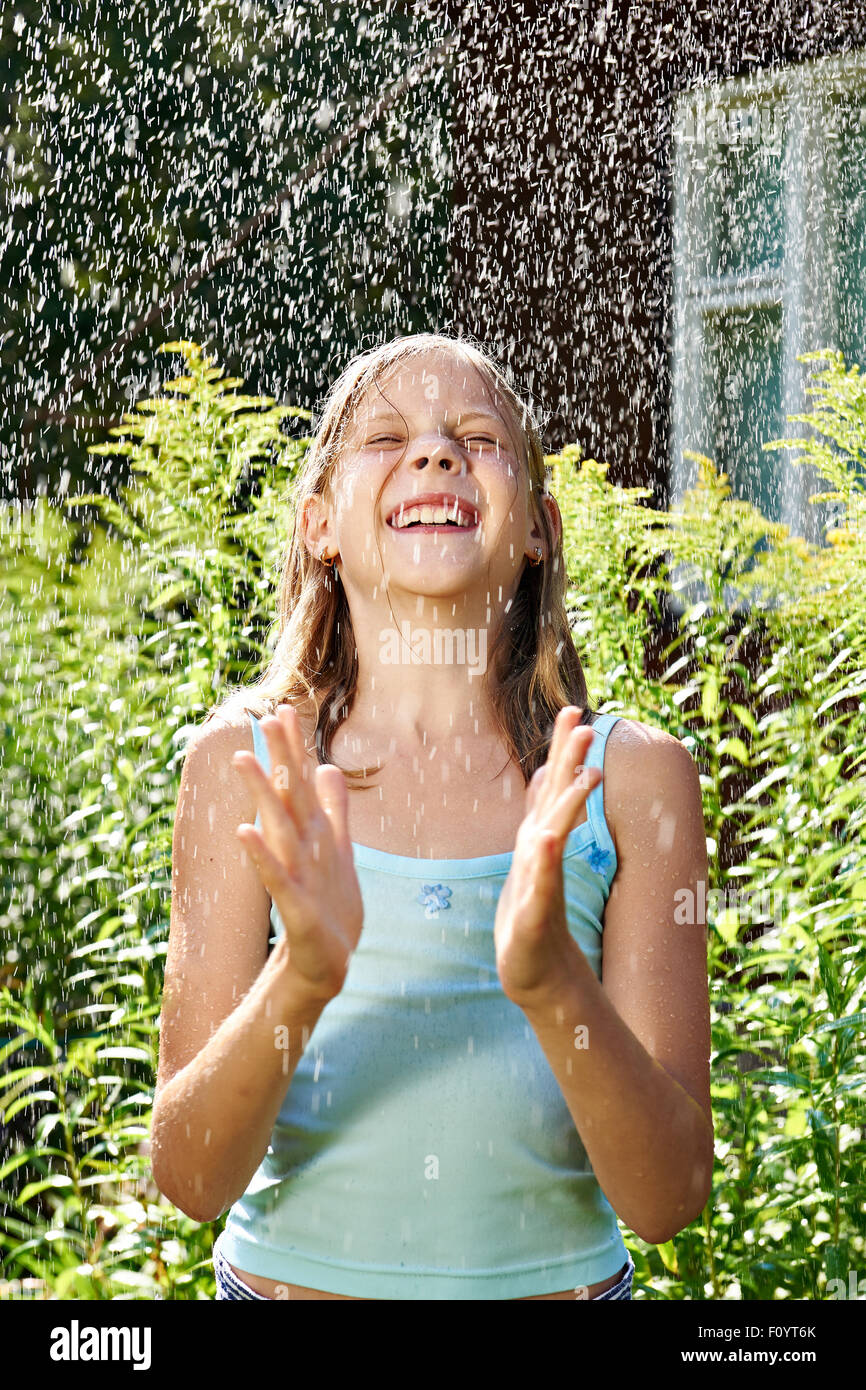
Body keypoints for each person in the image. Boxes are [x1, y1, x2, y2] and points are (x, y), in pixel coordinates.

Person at [150, 331, 713, 1301]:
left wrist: (547, 980)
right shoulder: (242, 768)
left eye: (474, 436)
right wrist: (303, 974)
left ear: (536, 527)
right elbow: (191, 1177)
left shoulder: (627, 782)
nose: (435, 452)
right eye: (386, 435)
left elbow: (667, 1197)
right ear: (319, 524)